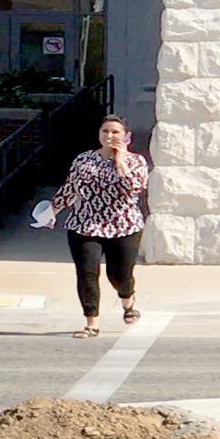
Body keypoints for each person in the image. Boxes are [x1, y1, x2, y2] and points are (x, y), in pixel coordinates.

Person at [48, 114, 150, 338]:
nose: (110, 136)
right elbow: (71, 188)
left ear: (127, 137)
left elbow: (135, 189)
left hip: (123, 225)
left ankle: (128, 301)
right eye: (105, 131)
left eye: (115, 132)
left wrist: (120, 161)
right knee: (87, 272)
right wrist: (53, 210)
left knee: (119, 274)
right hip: (85, 224)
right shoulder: (84, 159)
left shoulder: (136, 162)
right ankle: (91, 322)